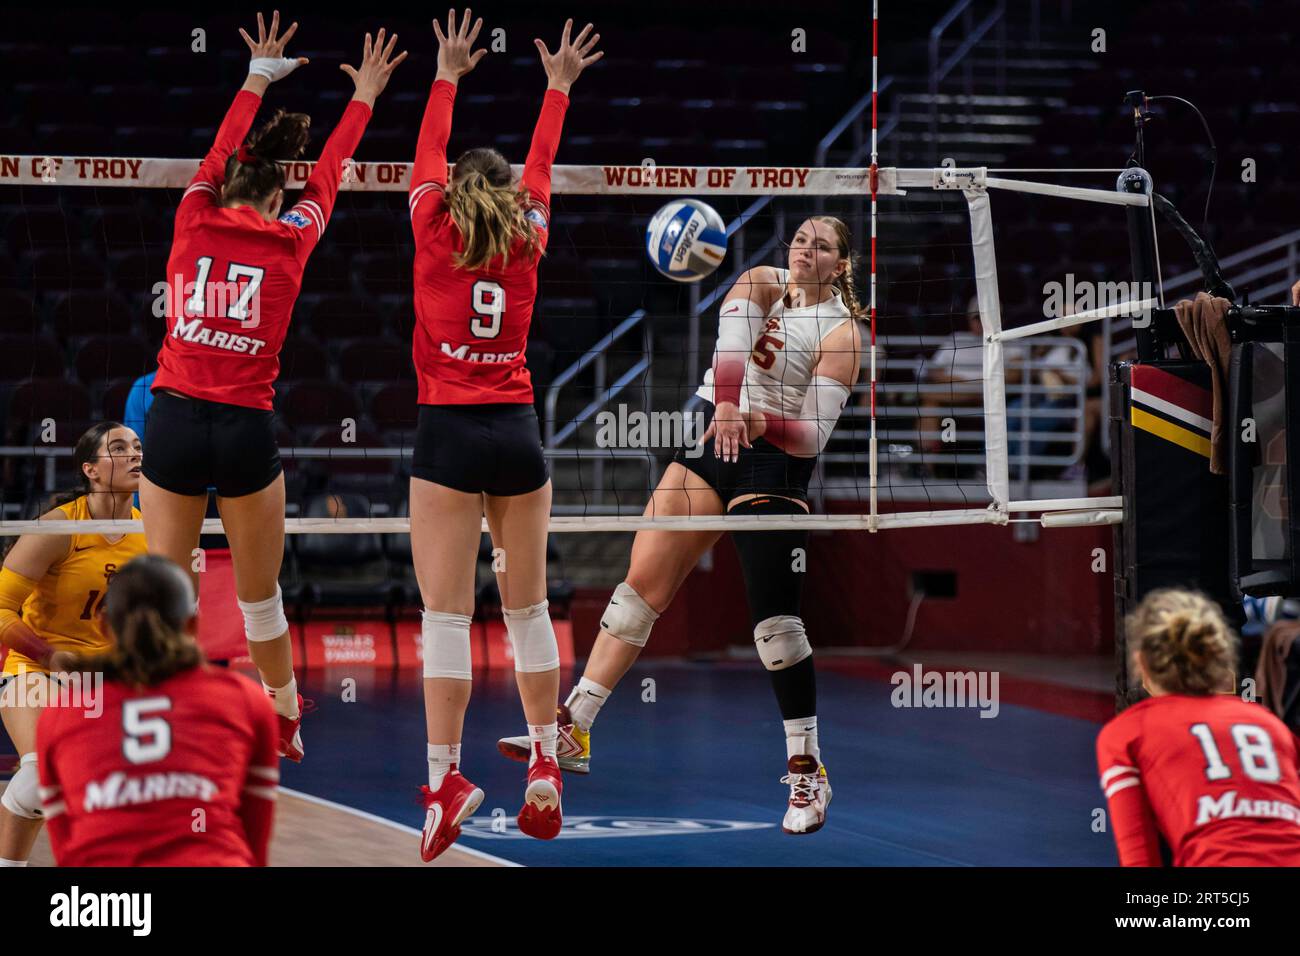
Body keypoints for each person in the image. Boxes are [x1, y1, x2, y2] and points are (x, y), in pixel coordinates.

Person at [500, 217, 865, 834]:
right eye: (801, 239)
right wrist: (727, 406)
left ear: (841, 265)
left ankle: (808, 771)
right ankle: (577, 730)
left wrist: (758, 423)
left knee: (775, 627)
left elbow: (813, 437)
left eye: (822, 246)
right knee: (637, 591)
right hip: (717, 434)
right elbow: (727, 355)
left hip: (775, 462)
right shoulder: (758, 281)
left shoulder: (845, 333)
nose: (806, 250)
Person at [138, 12, 405, 762]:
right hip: (246, 430)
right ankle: (284, 719)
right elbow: (332, 173)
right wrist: (367, 97)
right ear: (278, 201)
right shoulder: (292, 239)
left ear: (223, 189)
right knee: (261, 598)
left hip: (176, 421)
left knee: (165, 590)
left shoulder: (191, 218)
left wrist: (258, 72)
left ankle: (159, 729)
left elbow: (219, 149)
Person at [408, 9, 601, 861]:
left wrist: (448, 71)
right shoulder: (528, 235)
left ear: (454, 193)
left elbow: (426, 153)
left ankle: (446, 780)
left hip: (448, 432)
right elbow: (541, 166)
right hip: (518, 430)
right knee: (527, 609)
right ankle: (546, 763)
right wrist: (557, 87)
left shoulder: (432, 226)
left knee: (446, 618)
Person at [37, 555, 280, 866]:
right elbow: (255, 843)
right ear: (193, 625)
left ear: (104, 627)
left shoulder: (62, 714)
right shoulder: (246, 701)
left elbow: (66, 850)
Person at [0, 422, 144, 866]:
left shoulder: (155, 530)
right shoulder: (60, 526)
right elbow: (1, 609)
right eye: (118, 449)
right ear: (92, 470)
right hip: (37, 671)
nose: (134, 454)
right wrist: (50, 655)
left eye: (138, 447)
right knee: (42, 776)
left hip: (109, 680)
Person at [1097, 588, 1300, 866]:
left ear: (1142, 662)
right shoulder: (1269, 724)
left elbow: (1140, 860)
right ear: (1221, 660)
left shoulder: (1127, 733)